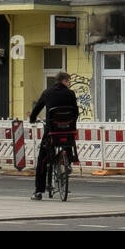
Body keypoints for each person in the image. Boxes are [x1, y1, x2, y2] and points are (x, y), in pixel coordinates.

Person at [30, 71, 79, 200]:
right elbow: (76, 112)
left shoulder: (47, 93)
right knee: (68, 142)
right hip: (68, 131)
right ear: (64, 81)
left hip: (52, 132)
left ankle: (38, 191)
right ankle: (67, 160)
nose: (70, 84)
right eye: (69, 81)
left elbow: (37, 109)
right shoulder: (71, 94)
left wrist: (32, 118)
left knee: (43, 159)